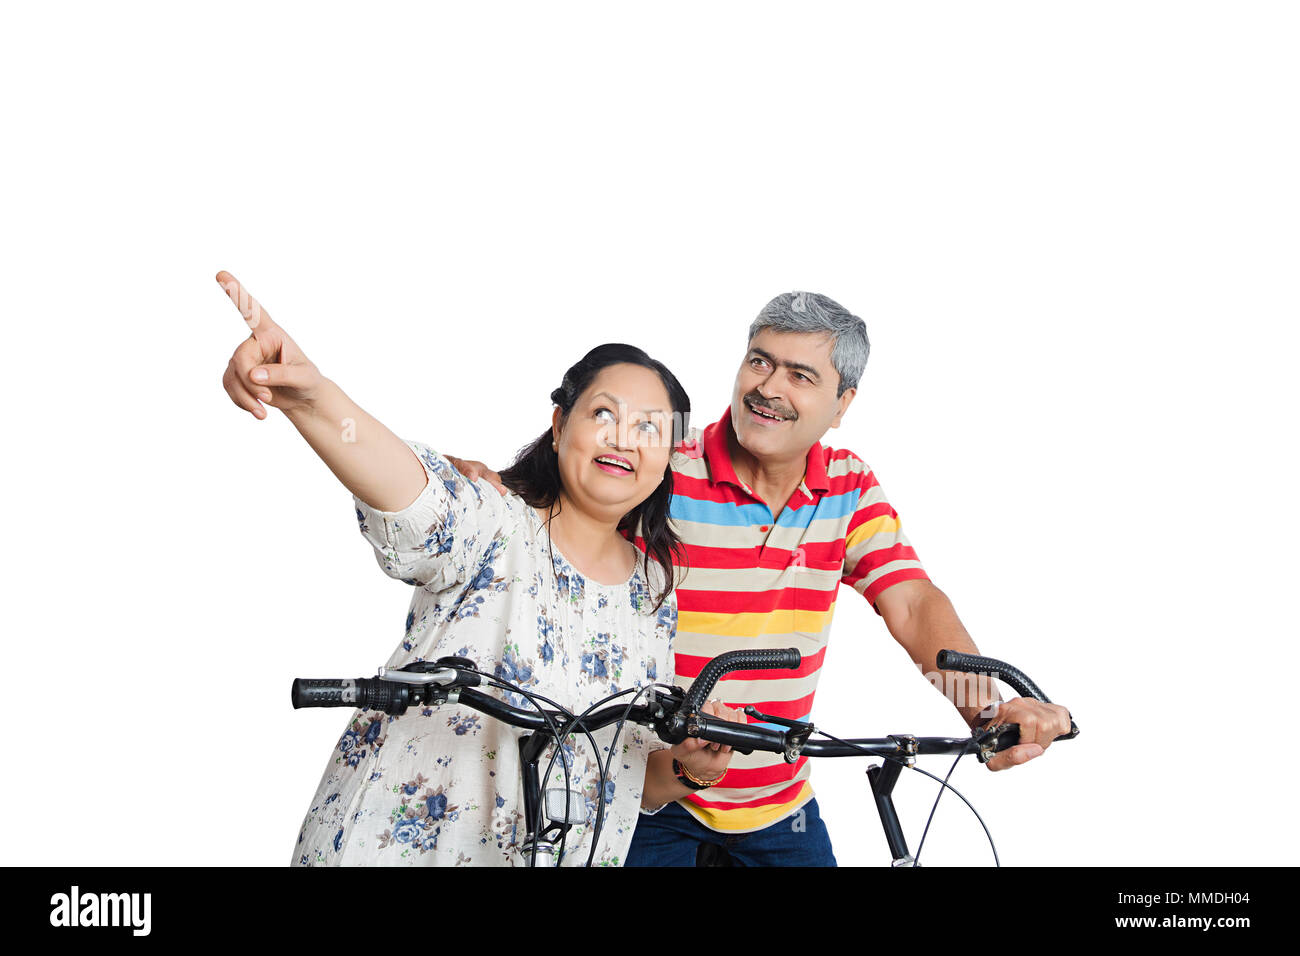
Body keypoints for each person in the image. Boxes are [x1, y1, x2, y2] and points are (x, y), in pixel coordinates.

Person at [450, 291, 1073, 866]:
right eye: (759, 362)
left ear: (842, 404)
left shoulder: (850, 487)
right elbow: (563, 492)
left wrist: (986, 710)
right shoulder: (669, 459)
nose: (768, 387)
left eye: (801, 376)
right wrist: (478, 486)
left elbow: (910, 601)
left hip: (778, 797)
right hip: (646, 786)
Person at [215, 270, 740, 866]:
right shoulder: (492, 523)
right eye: (604, 413)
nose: (625, 437)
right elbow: (409, 493)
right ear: (561, 423)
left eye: (650, 427)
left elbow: (624, 775)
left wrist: (693, 766)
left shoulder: (651, 593)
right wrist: (314, 398)